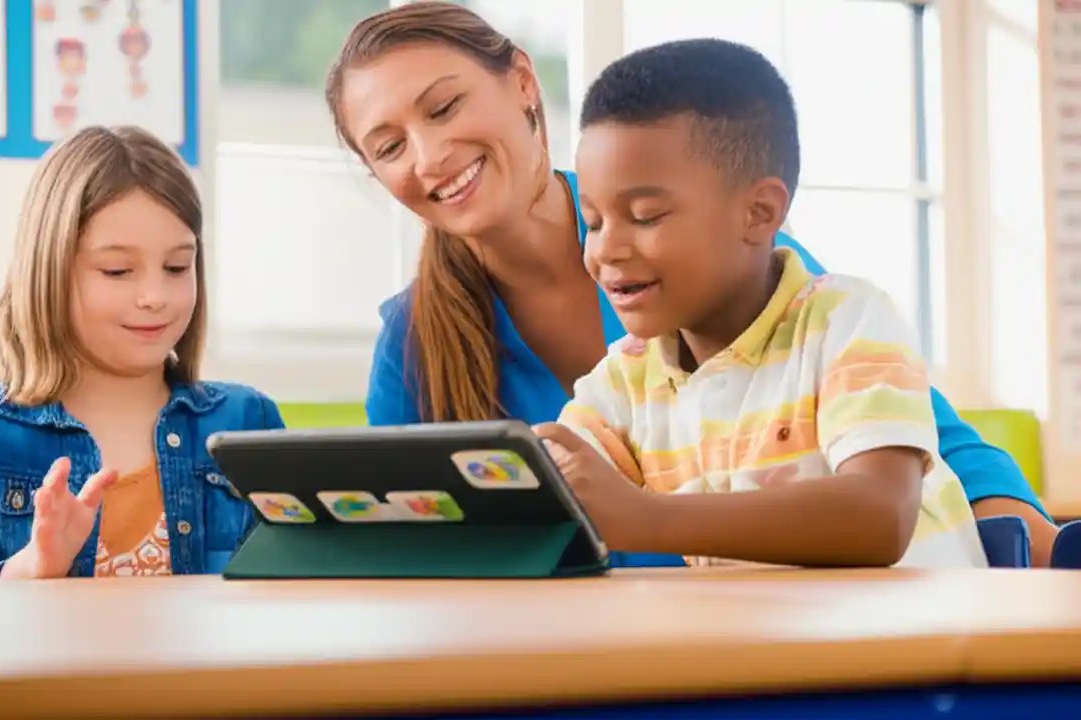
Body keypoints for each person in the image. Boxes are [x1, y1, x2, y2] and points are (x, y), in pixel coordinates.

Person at [325, 1, 1057, 565]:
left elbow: (906, 430)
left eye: (445, 106)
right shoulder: (426, 342)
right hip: (642, 641)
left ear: (521, 82)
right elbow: (459, 521)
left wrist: (1031, 548)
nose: (428, 156)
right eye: (388, 146)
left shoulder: (720, 241)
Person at [534, 39, 985, 568]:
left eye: (647, 215)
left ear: (758, 212)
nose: (606, 248)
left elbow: (880, 516)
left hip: (921, 643)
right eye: (593, 221)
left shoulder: (847, 321)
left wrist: (646, 516)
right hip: (767, 647)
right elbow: (550, 503)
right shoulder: (626, 381)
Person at [0, 126, 284, 581]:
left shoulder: (248, 422)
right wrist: (29, 569)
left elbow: (294, 599)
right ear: (49, 271)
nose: (155, 295)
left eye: (177, 266)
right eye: (117, 271)